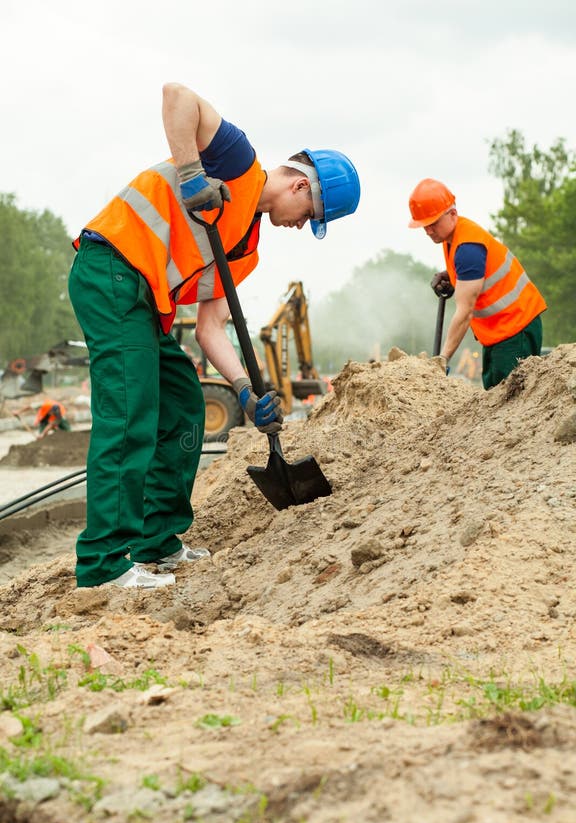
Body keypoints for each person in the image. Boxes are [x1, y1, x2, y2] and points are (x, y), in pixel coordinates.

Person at [68, 82, 360, 591]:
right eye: (311, 215)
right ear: (299, 186)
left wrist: (247, 390)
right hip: (111, 269)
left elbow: (210, 329)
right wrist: (191, 174)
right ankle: (103, 564)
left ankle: (157, 542)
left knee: (182, 400)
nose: (302, 225)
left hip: (143, 299)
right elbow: (176, 95)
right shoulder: (238, 164)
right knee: (130, 411)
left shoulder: (247, 247)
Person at [408, 178, 547, 390]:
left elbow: (464, 313)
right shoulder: (452, 239)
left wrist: (442, 359)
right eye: (424, 225)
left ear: (452, 214)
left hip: (515, 328)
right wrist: (453, 277)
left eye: (433, 223)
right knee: (494, 401)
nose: (428, 230)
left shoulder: (467, 249)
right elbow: (476, 273)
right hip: (499, 332)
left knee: (509, 404)